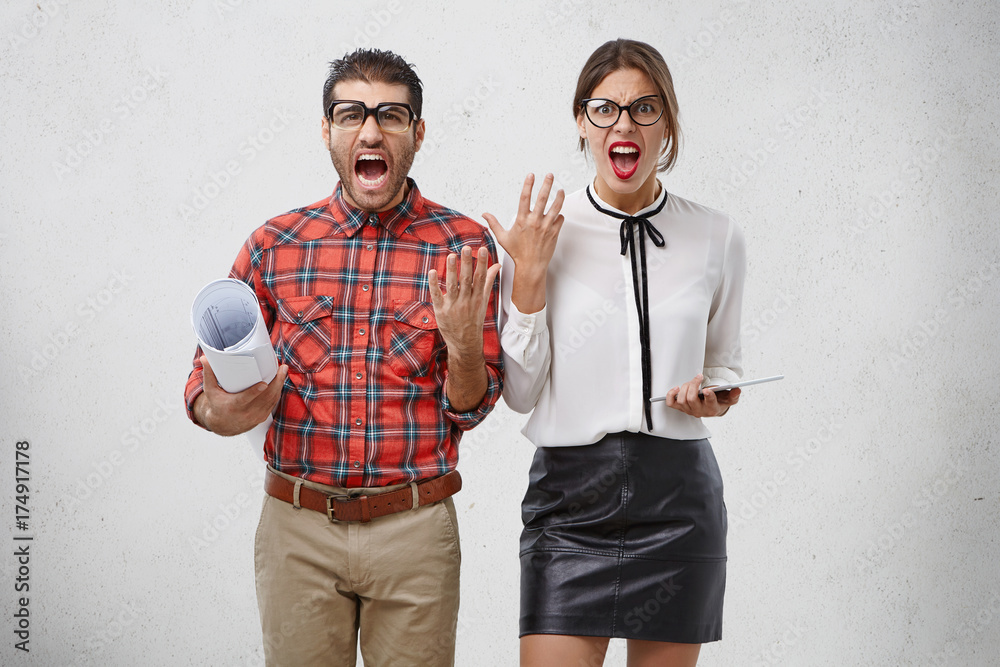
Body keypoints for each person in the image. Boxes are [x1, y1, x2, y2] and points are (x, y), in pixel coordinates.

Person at [183, 48, 503, 667]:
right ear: (327, 130)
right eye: (352, 114)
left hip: (415, 530)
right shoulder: (273, 245)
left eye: (391, 115)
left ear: (418, 133)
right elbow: (202, 381)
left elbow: (472, 407)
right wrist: (216, 411)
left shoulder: (464, 247)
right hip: (297, 529)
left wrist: (464, 346)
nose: (371, 131)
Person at [484, 38, 745, 667]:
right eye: (605, 109)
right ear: (582, 121)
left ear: (667, 124)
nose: (623, 125)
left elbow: (724, 367)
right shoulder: (541, 234)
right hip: (569, 501)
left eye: (644, 109)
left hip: (678, 500)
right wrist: (529, 275)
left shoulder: (716, 234)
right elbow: (519, 392)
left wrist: (713, 396)